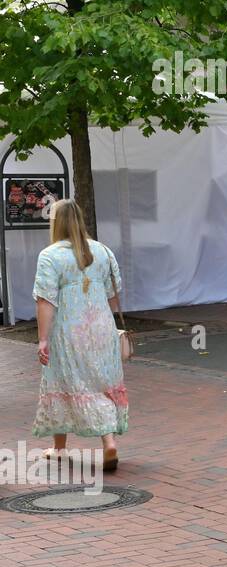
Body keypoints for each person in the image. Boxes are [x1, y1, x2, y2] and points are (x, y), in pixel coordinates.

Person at [32, 200, 128, 471]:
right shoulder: (103, 251)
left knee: (62, 381)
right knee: (100, 382)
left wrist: (42, 338)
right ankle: (107, 442)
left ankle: (60, 448)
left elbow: (45, 300)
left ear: (56, 223)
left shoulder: (50, 256)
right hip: (101, 328)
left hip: (68, 331)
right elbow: (113, 292)